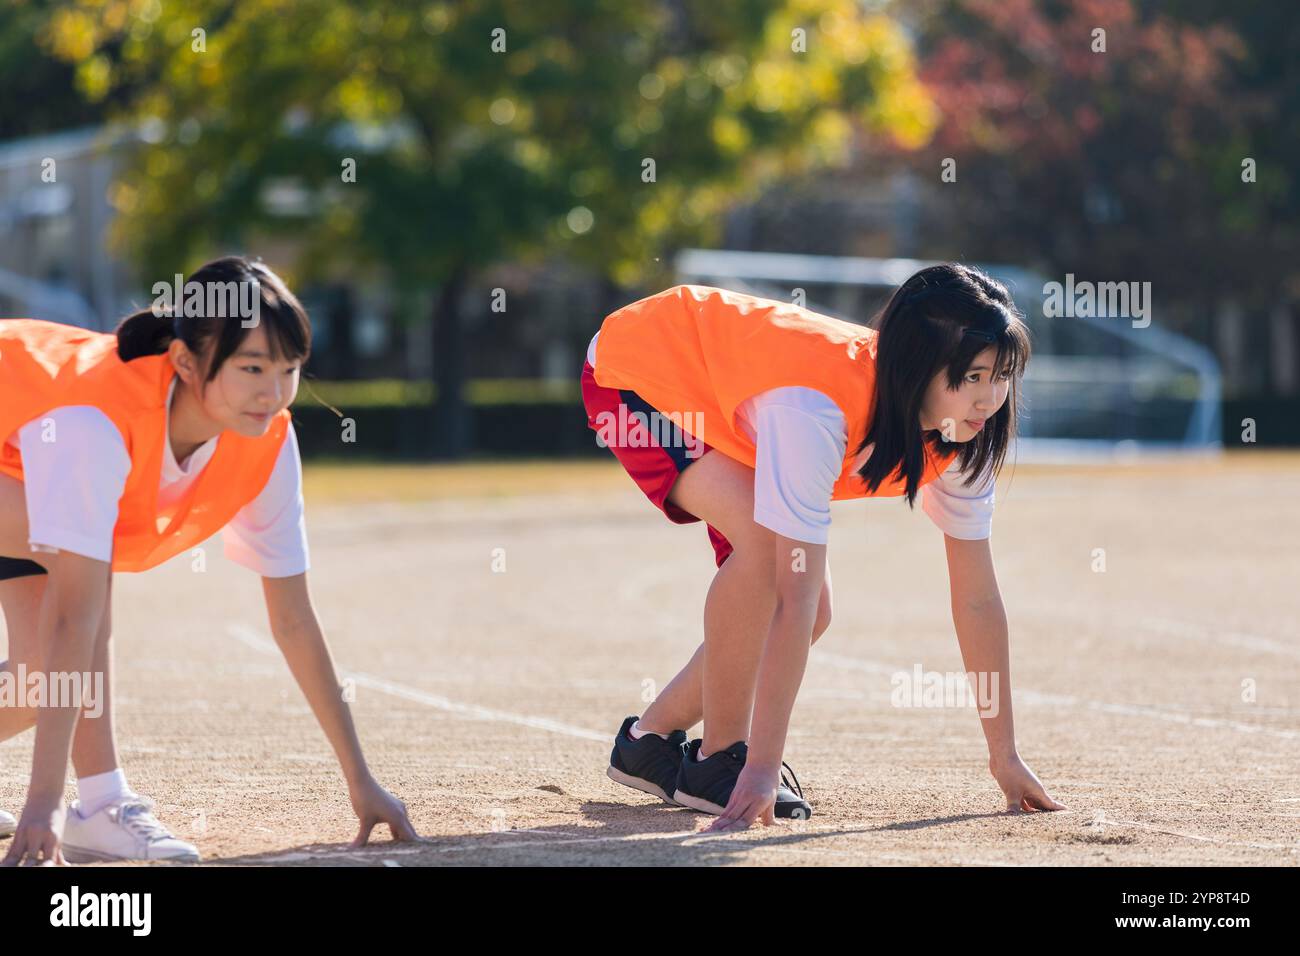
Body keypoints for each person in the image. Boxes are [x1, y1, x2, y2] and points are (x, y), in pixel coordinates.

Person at [583, 264, 1067, 831]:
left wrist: (1003, 755)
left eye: (1002, 375)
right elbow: (791, 597)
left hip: (729, 391)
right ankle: (719, 758)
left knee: (816, 607)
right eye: (971, 376)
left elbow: (978, 600)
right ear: (914, 368)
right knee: (772, 560)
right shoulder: (813, 410)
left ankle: (648, 743)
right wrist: (760, 768)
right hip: (644, 370)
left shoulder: (962, 432)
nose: (990, 398)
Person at [0, 256, 417, 865]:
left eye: (289, 369)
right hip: (23, 452)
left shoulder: (266, 438)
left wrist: (362, 779)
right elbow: (75, 620)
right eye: (251, 367)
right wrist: (43, 805)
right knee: (80, 607)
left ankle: (99, 807)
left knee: (40, 676)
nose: (272, 392)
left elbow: (293, 619)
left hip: (26, 467)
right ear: (187, 361)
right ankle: (100, 801)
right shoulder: (97, 425)